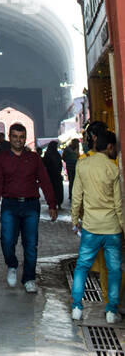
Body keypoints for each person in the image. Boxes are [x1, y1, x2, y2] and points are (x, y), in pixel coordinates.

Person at [0, 122, 58, 293]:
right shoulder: (1, 159)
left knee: (30, 243)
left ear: (25, 138)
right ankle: (12, 265)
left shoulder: (34, 158)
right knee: (6, 241)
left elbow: (45, 181)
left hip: (31, 205)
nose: (18, 140)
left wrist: (51, 204)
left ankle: (29, 278)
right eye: (15, 137)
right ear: (9, 137)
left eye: (21, 137)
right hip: (10, 205)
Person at [71, 129, 123, 325]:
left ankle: (77, 307)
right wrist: (123, 227)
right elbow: (118, 204)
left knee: (82, 267)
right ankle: (111, 311)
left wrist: (75, 220)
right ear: (109, 147)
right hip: (112, 228)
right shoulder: (112, 168)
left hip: (91, 227)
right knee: (114, 269)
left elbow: (77, 196)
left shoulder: (82, 164)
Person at [42, 140, 65, 208]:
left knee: (53, 189)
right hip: (54, 175)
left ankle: (55, 203)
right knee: (57, 189)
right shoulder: (55, 153)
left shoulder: (49, 153)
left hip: (52, 175)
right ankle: (57, 203)